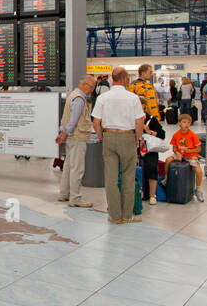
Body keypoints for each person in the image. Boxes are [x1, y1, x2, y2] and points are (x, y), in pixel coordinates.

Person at [90, 66, 146, 223]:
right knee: (128, 177)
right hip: (127, 137)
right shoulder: (133, 98)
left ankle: (114, 215)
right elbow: (139, 122)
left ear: (112, 79)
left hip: (108, 136)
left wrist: (102, 137)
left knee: (111, 179)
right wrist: (137, 139)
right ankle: (127, 215)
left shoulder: (103, 98)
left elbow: (96, 122)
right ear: (125, 79)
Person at [55, 76, 97, 208]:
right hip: (77, 137)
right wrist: (66, 133)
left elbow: (64, 118)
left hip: (71, 137)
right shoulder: (79, 99)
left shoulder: (72, 95)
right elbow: (73, 120)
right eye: (91, 87)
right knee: (77, 168)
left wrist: (63, 132)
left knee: (68, 166)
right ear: (85, 85)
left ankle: (64, 193)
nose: (92, 90)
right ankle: (75, 198)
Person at [170, 113, 205, 202]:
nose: (186, 124)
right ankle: (166, 179)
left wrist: (188, 151)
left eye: (188, 123)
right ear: (179, 123)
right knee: (167, 161)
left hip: (191, 156)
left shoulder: (192, 135)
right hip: (180, 154)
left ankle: (198, 189)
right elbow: (174, 148)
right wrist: (177, 153)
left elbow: (199, 149)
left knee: (199, 171)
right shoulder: (176, 134)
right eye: (184, 122)